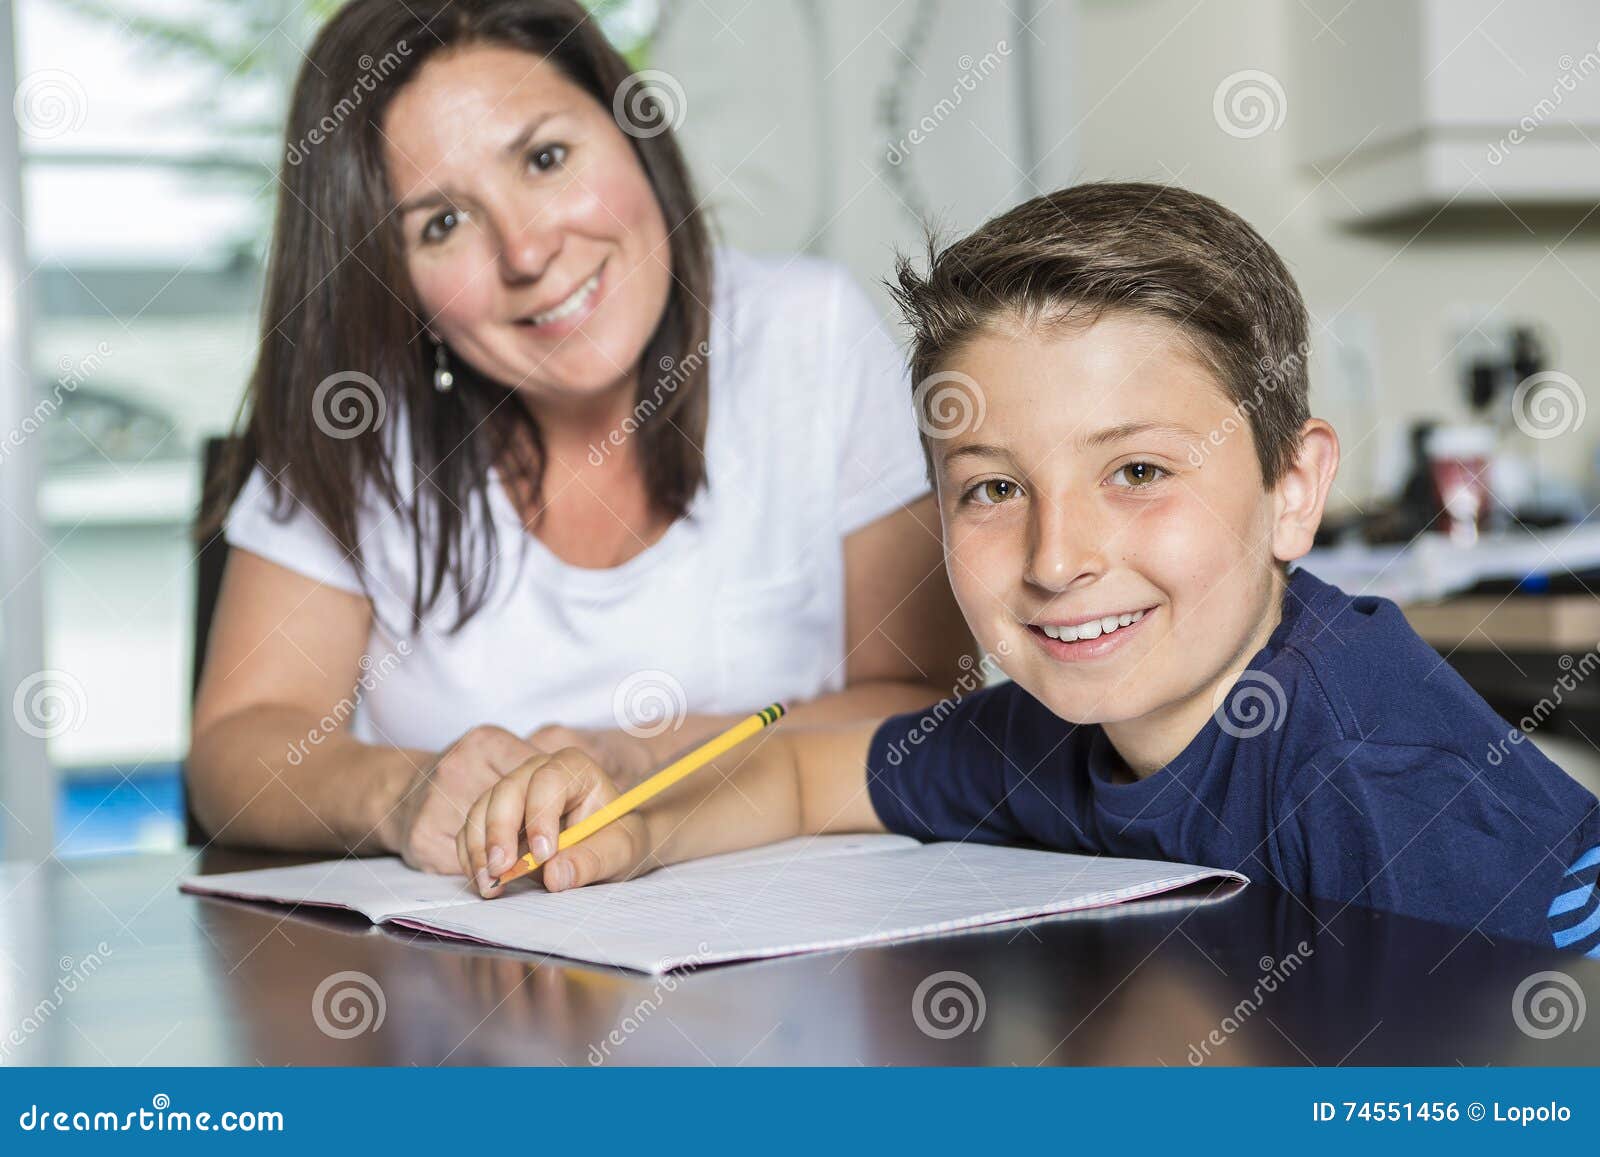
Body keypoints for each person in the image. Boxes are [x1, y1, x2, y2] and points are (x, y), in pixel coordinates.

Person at [456, 181, 1600, 954]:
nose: (1058, 559)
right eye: (994, 488)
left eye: (1139, 470)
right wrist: (637, 827)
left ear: (1290, 491)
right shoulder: (1056, 729)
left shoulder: (1384, 789)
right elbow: (810, 777)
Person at [187, 0, 971, 874]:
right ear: (393, 282)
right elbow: (233, 755)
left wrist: (640, 752)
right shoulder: (360, 414)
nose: (526, 250)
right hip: (465, 985)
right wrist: (400, 791)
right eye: (441, 223)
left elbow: (928, 703)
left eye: (546, 158)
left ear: (633, 129)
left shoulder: (808, 331)